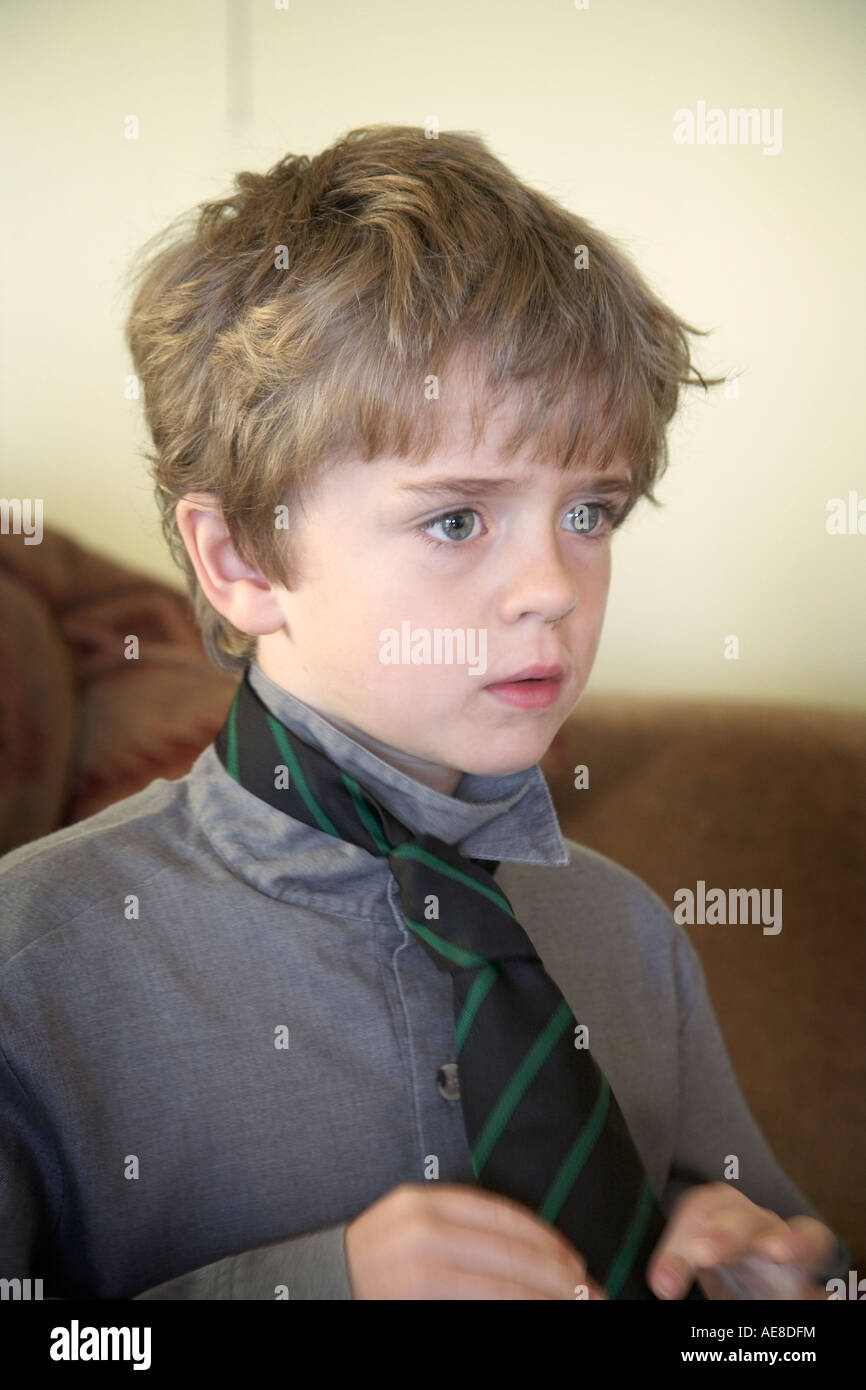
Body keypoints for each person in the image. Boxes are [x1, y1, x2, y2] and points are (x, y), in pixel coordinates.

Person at [0, 125, 851, 1301]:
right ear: (241, 555)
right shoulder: (31, 962)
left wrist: (772, 1298)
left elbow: (788, 1266)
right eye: (457, 519)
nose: (553, 585)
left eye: (591, 513)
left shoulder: (628, 938)